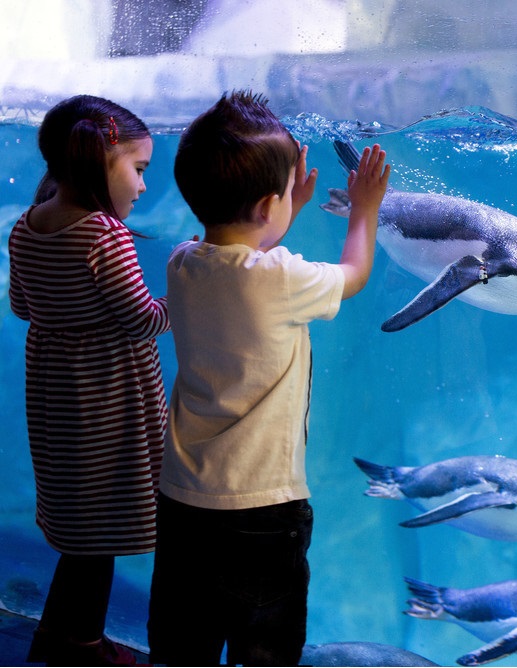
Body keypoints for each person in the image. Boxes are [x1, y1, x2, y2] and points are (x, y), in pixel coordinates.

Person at [147, 90, 389, 666]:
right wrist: (365, 207)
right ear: (265, 207)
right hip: (263, 511)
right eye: (285, 192)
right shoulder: (282, 279)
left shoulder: (182, 263)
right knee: (265, 651)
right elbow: (354, 274)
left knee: (182, 647)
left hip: (184, 502)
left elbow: (239, 257)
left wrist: (284, 206)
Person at [7, 95, 170, 665]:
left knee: (81, 530)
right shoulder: (105, 234)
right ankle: (81, 648)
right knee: (101, 535)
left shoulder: (26, 226)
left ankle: (58, 638)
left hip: (57, 396)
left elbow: (22, 306)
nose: (143, 186)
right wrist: (187, 296)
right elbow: (142, 319)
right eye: (139, 169)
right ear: (101, 159)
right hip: (108, 399)